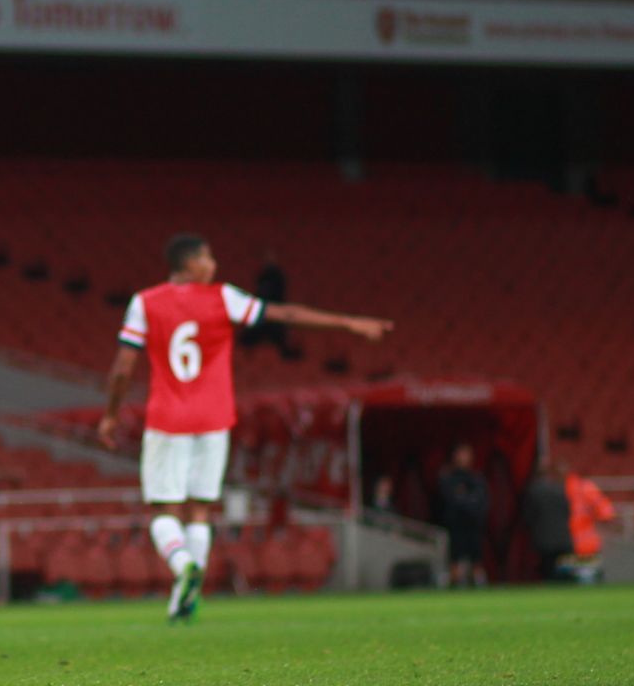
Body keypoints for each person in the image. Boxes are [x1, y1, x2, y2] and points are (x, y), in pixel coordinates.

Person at [97, 234, 392, 624]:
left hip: (168, 417)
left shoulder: (145, 302)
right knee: (200, 510)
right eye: (208, 257)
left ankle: (183, 566)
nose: (214, 263)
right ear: (189, 264)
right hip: (215, 418)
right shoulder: (224, 298)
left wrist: (112, 414)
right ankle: (185, 598)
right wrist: (348, 323)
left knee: (164, 510)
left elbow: (122, 368)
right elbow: (284, 315)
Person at [437, 443, 491, 588]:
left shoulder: (476, 478)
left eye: (466, 454)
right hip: (456, 526)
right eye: (461, 454)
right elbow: (450, 500)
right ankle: (454, 587)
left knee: (476, 560)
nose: (464, 457)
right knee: (455, 560)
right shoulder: (448, 478)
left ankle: (480, 586)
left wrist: (465, 500)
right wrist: (466, 500)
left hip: (473, 525)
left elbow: (481, 501)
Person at [524, 465, 574, 580]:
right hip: (563, 538)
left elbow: (529, 516)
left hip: (543, 539)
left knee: (548, 571)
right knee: (565, 572)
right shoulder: (560, 489)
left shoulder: (533, 490)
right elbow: (568, 512)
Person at [567, 465, 617, 571]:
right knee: (587, 576)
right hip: (588, 543)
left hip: (565, 542)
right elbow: (607, 513)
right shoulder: (587, 488)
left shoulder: (562, 488)